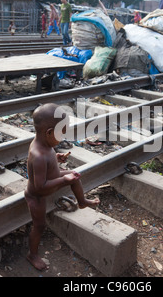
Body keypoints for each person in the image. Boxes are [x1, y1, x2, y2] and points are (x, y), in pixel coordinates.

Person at [24, 103, 100, 270]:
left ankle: (82, 201)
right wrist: (64, 180)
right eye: (61, 133)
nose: (63, 137)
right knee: (39, 225)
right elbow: (40, 186)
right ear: (49, 132)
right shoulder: (38, 155)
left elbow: (49, 162)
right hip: (36, 195)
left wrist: (57, 158)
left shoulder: (46, 144)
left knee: (73, 174)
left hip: (49, 178)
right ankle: (32, 254)